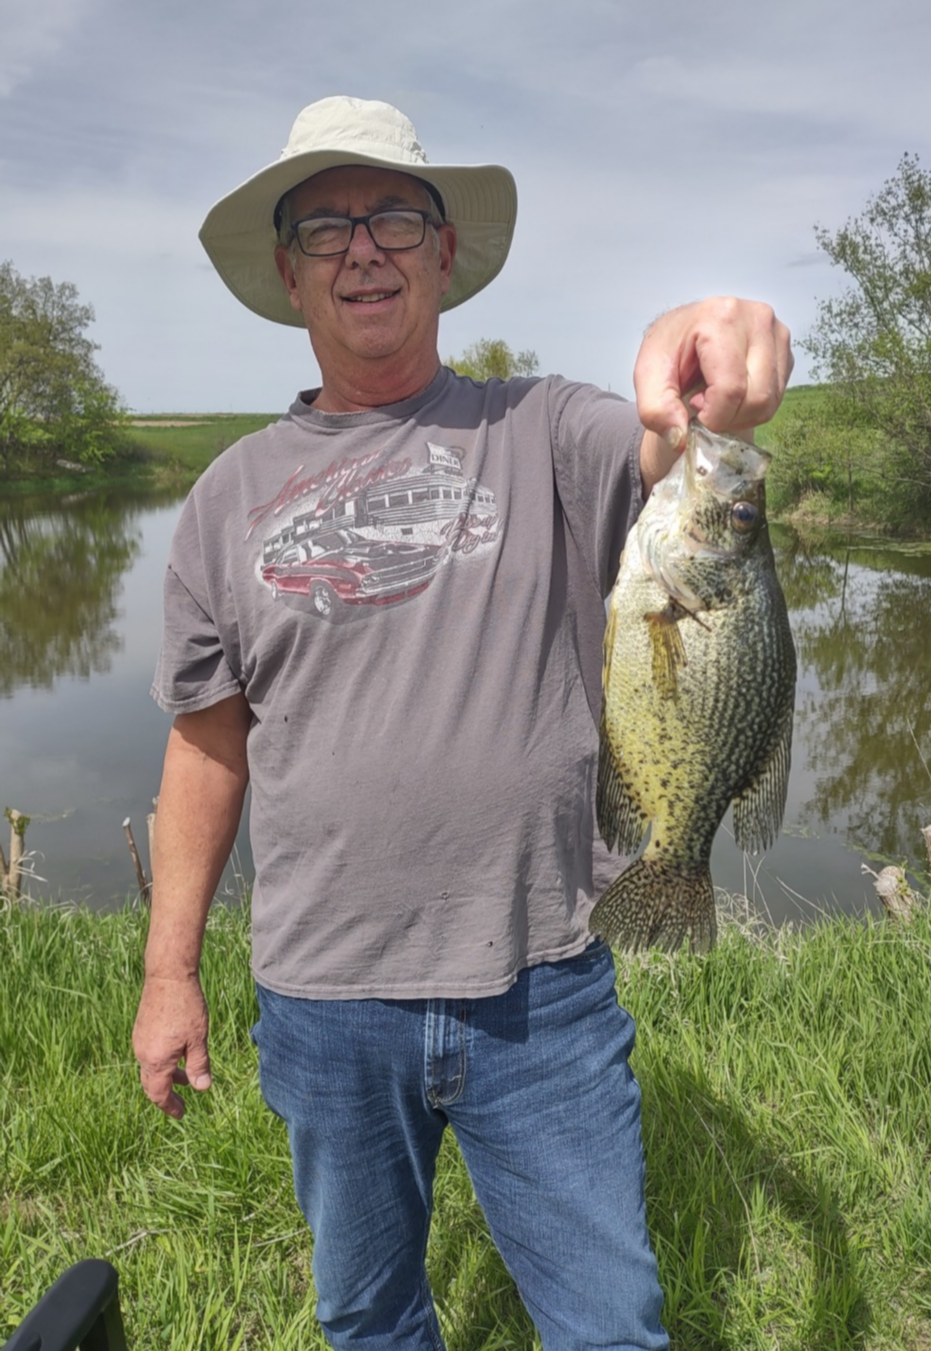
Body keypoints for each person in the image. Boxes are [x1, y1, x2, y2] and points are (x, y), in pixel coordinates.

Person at [132, 95, 792, 1352]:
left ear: (443, 254)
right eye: (325, 226)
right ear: (287, 271)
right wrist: (169, 974)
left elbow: (675, 435)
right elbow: (205, 743)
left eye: (393, 216)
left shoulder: (540, 429)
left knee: (611, 1326)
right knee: (368, 1315)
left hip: (541, 983)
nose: (362, 247)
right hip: (325, 994)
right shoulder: (223, 499)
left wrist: (712, 332)